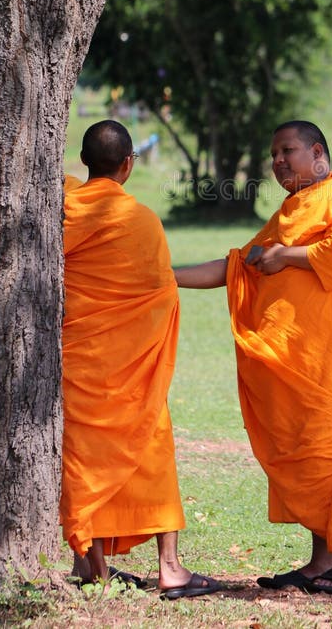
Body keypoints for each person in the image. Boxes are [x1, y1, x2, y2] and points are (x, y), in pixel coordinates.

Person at [175, 120, 332, 595]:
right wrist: (165, 278)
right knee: (306, 448)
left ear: (317, 152)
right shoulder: (292, 210)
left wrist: (287, 256)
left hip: (328, 353)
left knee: (329, 447)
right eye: (274, 154)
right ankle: (319, 562)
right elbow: (237, 265)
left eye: (288, 150)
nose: (279, 161)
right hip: (292, 354)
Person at [61, 120, 220, 600]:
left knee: (82, 457)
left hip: (79, 362)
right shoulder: (140, 220)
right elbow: (158, 288)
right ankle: (170, 568)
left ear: (85, 162)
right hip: (130, 369)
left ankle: (93, 565)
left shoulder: (59, 211)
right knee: (150, 451)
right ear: (128, 165)